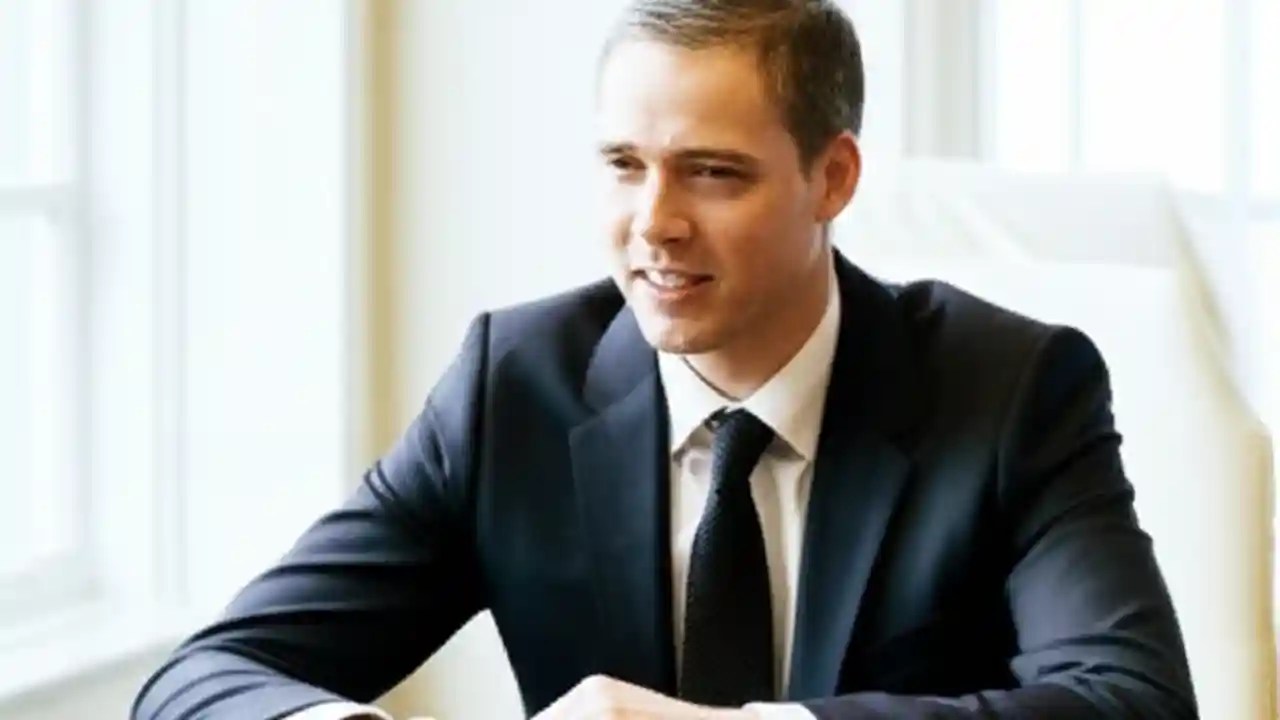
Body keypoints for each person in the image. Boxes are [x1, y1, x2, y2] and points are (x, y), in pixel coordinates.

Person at [132, 1, 1198, 718]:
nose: (653, 223)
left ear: (832, 179)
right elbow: (204, 679)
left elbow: (1131, 701)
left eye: (712, 173)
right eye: (622, 165)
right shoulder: (513, 386)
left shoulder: (1011, 388)